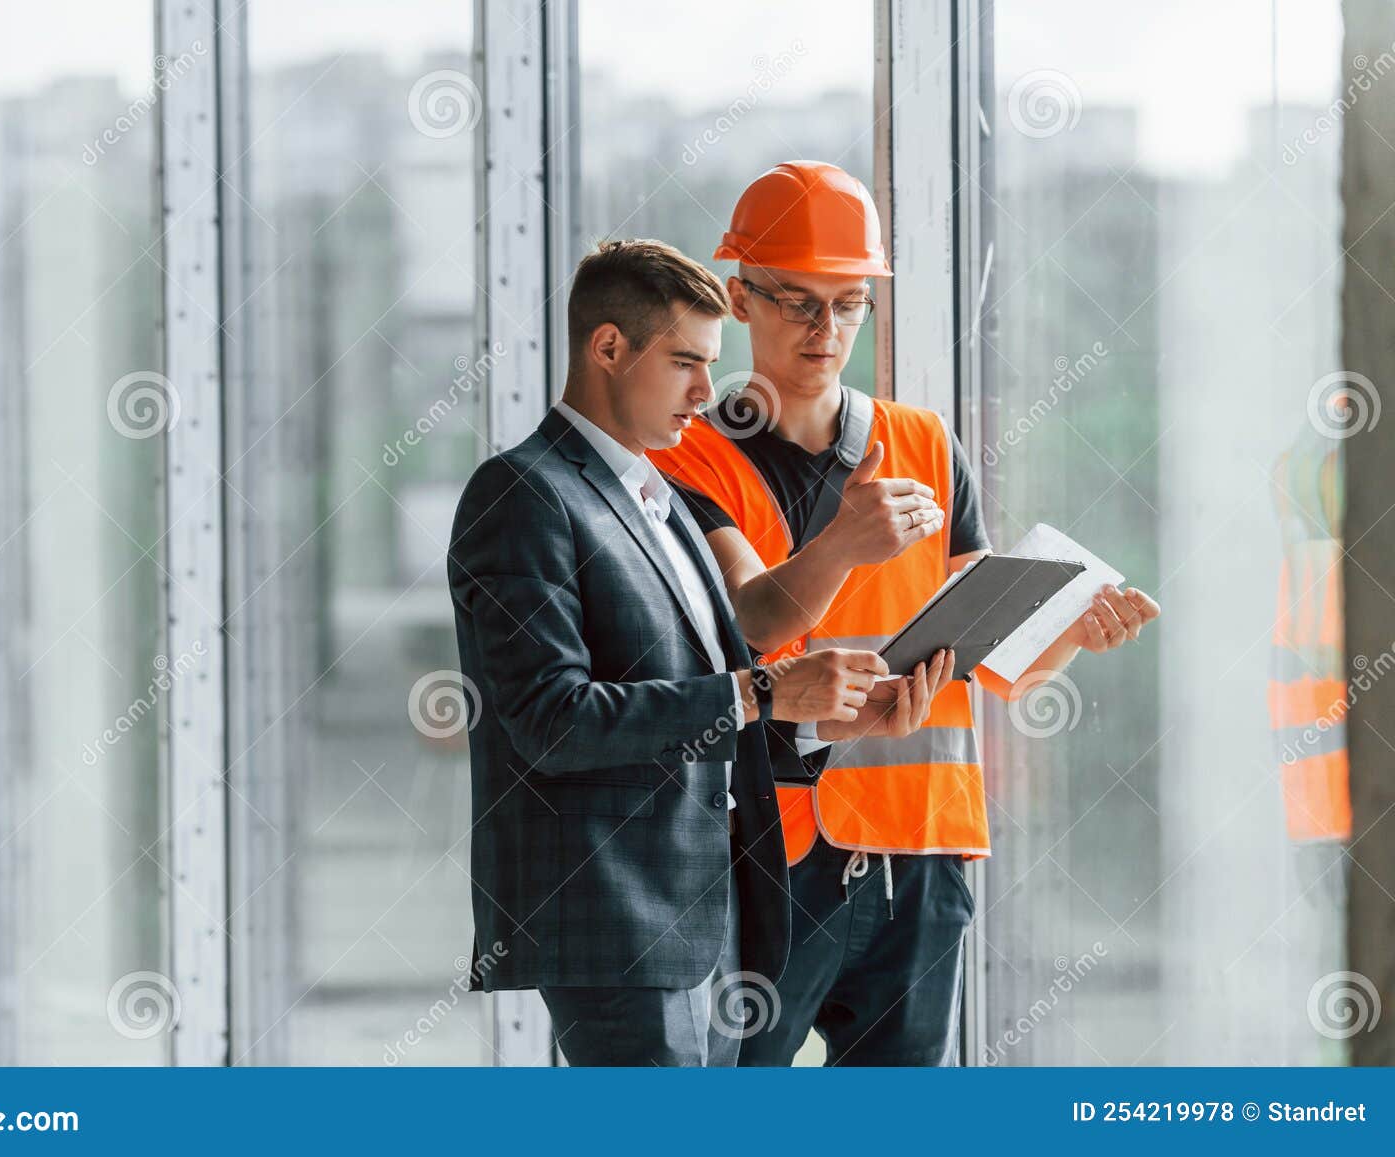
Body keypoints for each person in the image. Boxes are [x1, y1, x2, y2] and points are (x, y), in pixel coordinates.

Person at [650, 161, 1161, 1066]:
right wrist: (845, 541)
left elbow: (999, 658)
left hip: (922, 851)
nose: (827, 329)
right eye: (799, 300)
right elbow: (749, 625)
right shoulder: (695, 456)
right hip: (770, 853)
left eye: (850, 303)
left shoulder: (923, 443)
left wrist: (1073, 633)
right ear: (740, 298)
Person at [448, 238, 949, 1065]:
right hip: (619, 916)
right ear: (607, 348)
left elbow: (701, 705)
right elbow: (550, 718)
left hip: (713, 917)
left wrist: (830, 723)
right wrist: (761, 692)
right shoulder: (523, 493)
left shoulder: (662, 498)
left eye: (709, 364)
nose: (705, 392)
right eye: (684, 362)